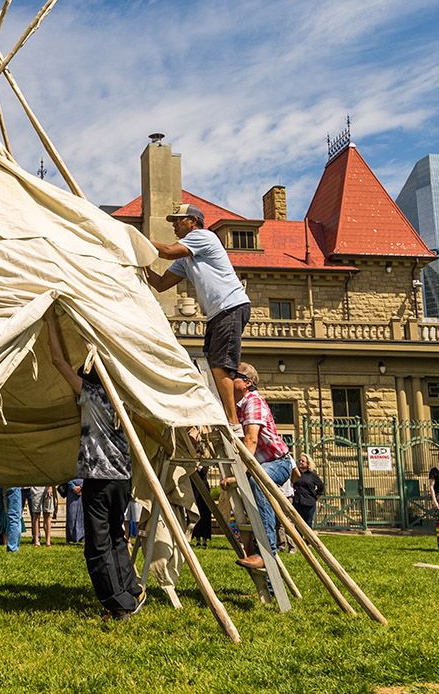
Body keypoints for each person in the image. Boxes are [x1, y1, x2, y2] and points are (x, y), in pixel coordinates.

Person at [45, 308, 145, 620]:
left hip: (99, 477)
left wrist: (51, 324)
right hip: (122, 477)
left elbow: (58, 362)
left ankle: (118, 603)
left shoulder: (90, 396)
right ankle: (131, 588)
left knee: (98, 543)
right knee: (116, 534)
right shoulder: (123, 399)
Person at [143, 203, 251, 440]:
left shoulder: (204, 237)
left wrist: (136, 242)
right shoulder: (187, 259)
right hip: (217, 314)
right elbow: (161, 284)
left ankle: (232, 422)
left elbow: (169, 251)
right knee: (213, 364)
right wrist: (140, 265)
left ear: (193, 221)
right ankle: (224, 415)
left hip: (230, 306)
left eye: (178, 221)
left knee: (220, 364)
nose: (174, 226)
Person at [230, 362, 293, 571]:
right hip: (261, 464)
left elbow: (251, 440)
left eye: (234, 376)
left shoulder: (253, 401)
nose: (230, 380)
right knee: (252, 491)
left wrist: (239, 473)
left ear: (247, 382)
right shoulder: (236, 406)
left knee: (258, 480)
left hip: (278, 463)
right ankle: (269, 583)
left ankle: (267, 552)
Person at [292, 453, 325, 529]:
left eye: (303, 461)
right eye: (299, 461)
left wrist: (315, 497)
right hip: (297, 502)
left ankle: (308, 540)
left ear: (308, 463)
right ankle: (299, 540)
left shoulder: (312, 475)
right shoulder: (296, 473)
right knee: (298, 524)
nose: (300, 462)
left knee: (308, 523)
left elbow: (321, 487)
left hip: (309, 503)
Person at [191, 467, 212, 548]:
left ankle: (204, 540)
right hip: (195, 490)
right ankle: (197, 540)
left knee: (205, 515)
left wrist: (198, 467)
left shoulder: (205, 463)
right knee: (196, 513)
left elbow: (203, 472)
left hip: (204, 489)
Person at [59, 479, 85, 544]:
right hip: (71, 490)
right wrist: (73, 487)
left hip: (84, 490)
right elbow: (66, 476)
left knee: (82, 515)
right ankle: (71, 538)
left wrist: (81, 486)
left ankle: (82, 537)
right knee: (71, 515)